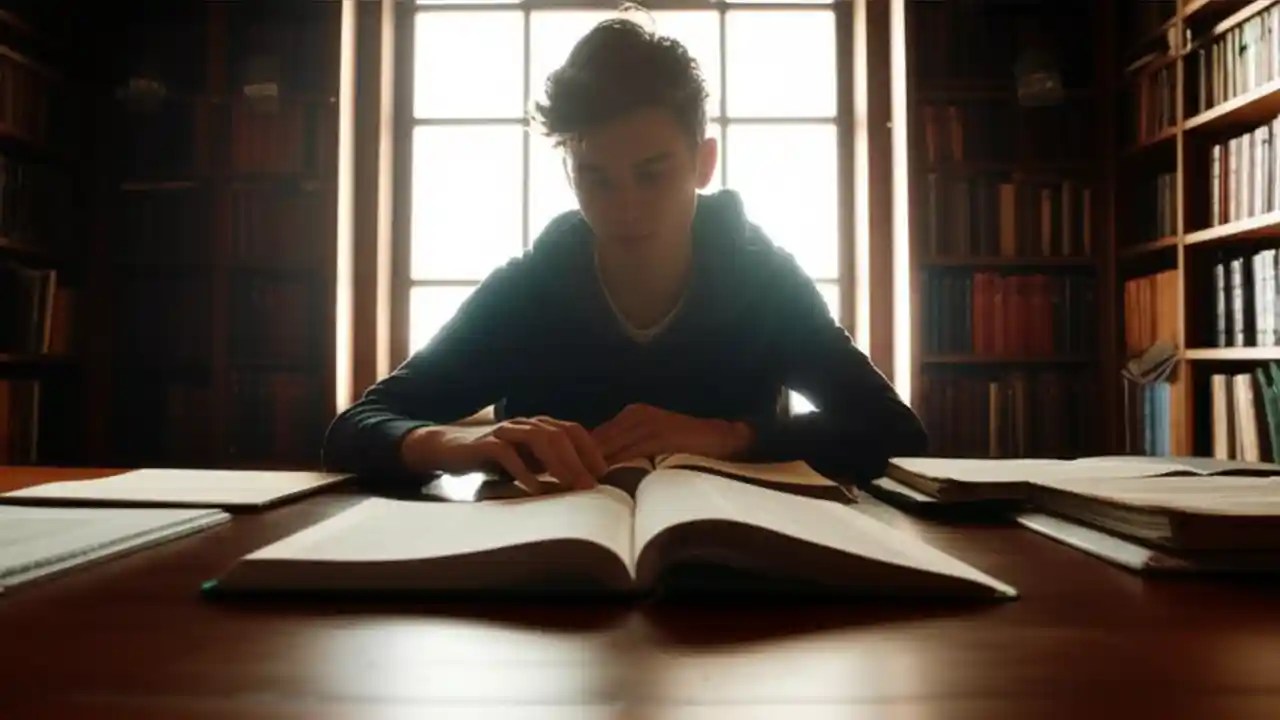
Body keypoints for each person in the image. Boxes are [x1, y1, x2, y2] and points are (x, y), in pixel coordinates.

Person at [323, 15, 926, 493]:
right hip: (552, 584)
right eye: (596, 178)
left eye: (652, 175)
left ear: (703, 162)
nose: (626, 208)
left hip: (736, 587)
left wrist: (731, 436)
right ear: (568, 172)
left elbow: (896, 432)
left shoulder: (765, 280)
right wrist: (454, 445)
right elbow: (355, 429)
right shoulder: (527, 290)